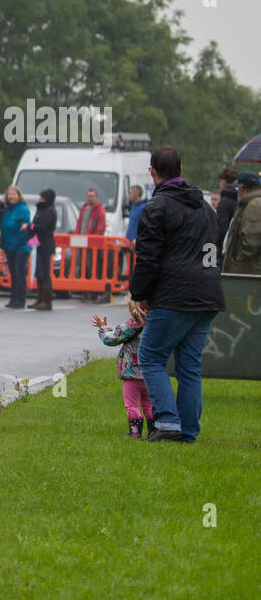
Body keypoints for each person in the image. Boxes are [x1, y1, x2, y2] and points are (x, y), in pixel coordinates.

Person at [130, 145, 225, 443]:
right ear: (181, 171)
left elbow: (147, 257)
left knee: (150, 356)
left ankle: (169, 422)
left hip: (175, 295)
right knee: (189, 366)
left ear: (152, 172)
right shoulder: (206, 208)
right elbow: (214, 250)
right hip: (208, 293)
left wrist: (139, 293)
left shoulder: (156, 208)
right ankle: (188, 431)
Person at [92, 299, 154, 438]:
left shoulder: (133, 324)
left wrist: (103, 328)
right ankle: (153, 431)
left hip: (131, 374)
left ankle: (135, 432)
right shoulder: (155, 323)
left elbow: (111, 339)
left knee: (132, 405)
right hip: (150, 373)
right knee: (149, 404)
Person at [0, 185, 32, 309]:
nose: (11, 197)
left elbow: (25, 228)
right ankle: (13, 298)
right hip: (9, 247)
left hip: (20, 247)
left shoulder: (23, 210)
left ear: (18, 196)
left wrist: (18, 243)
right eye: (9, 194)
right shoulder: (6, 210)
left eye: (14, 194)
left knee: (19, 273)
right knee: (13, 274)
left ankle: (20, 299)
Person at [222, 170, 261, 275]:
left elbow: (251, 240)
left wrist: (237, 261)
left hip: (249, 270)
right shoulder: (253, 203)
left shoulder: (254, 205)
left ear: (242, 187)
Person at [28, 188, 57, 310]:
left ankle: (47, 301)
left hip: (45, 244)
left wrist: (32, 226)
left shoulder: (49, 210)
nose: (40, 199)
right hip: (38, 244)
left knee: (45, 273)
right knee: (39, 273)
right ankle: (39, 299)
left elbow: (43, 226)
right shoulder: (41, 209)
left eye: (42, 197)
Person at [216, 167, 238, 249]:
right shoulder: (241, 198)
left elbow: (222, 228)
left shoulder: (224, 203)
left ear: (223, 181)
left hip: (226, 246)